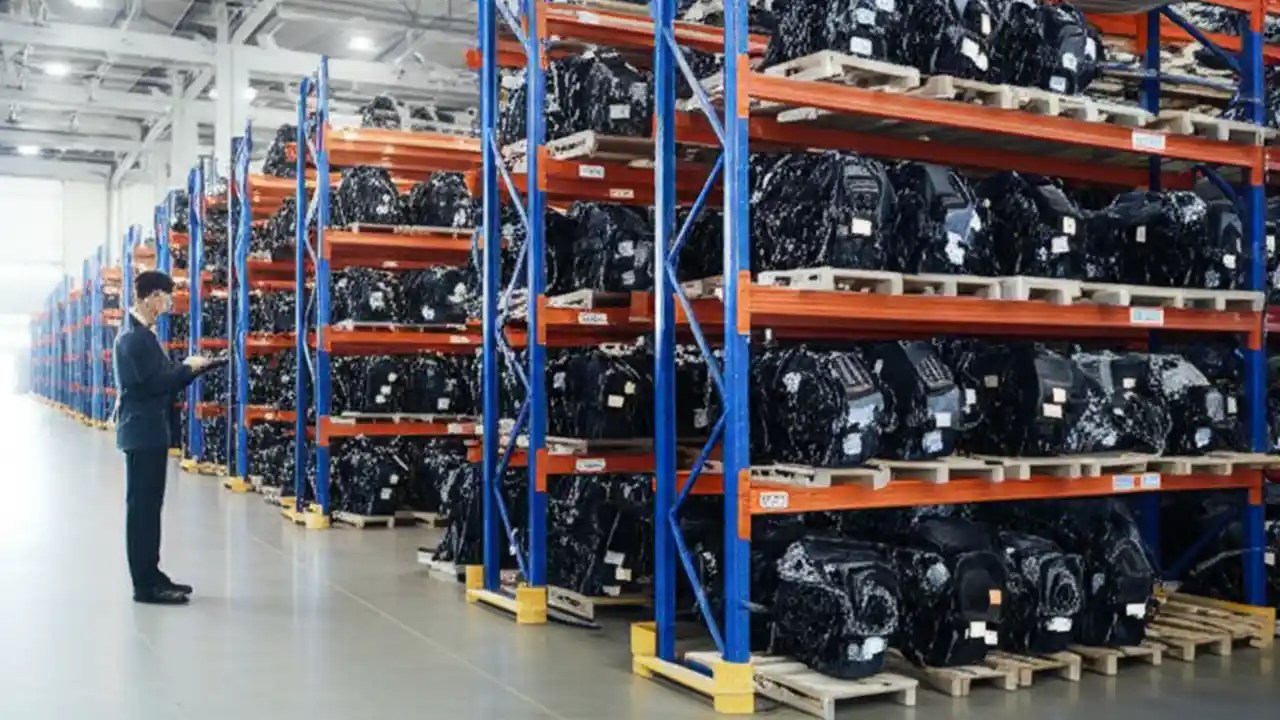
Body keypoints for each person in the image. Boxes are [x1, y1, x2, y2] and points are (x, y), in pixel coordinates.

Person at [114, 270, 221, 605]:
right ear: (150, 297)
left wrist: (188, 369)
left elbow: (155, 379)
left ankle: (152, 573)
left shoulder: (140, 334)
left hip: (146, 431)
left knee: (148, 506)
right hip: (143, 432)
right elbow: (155, 385)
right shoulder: (136, 338)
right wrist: (191, 370)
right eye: (166, 296)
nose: (169, 303)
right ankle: (145, 586)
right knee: (143, 509)